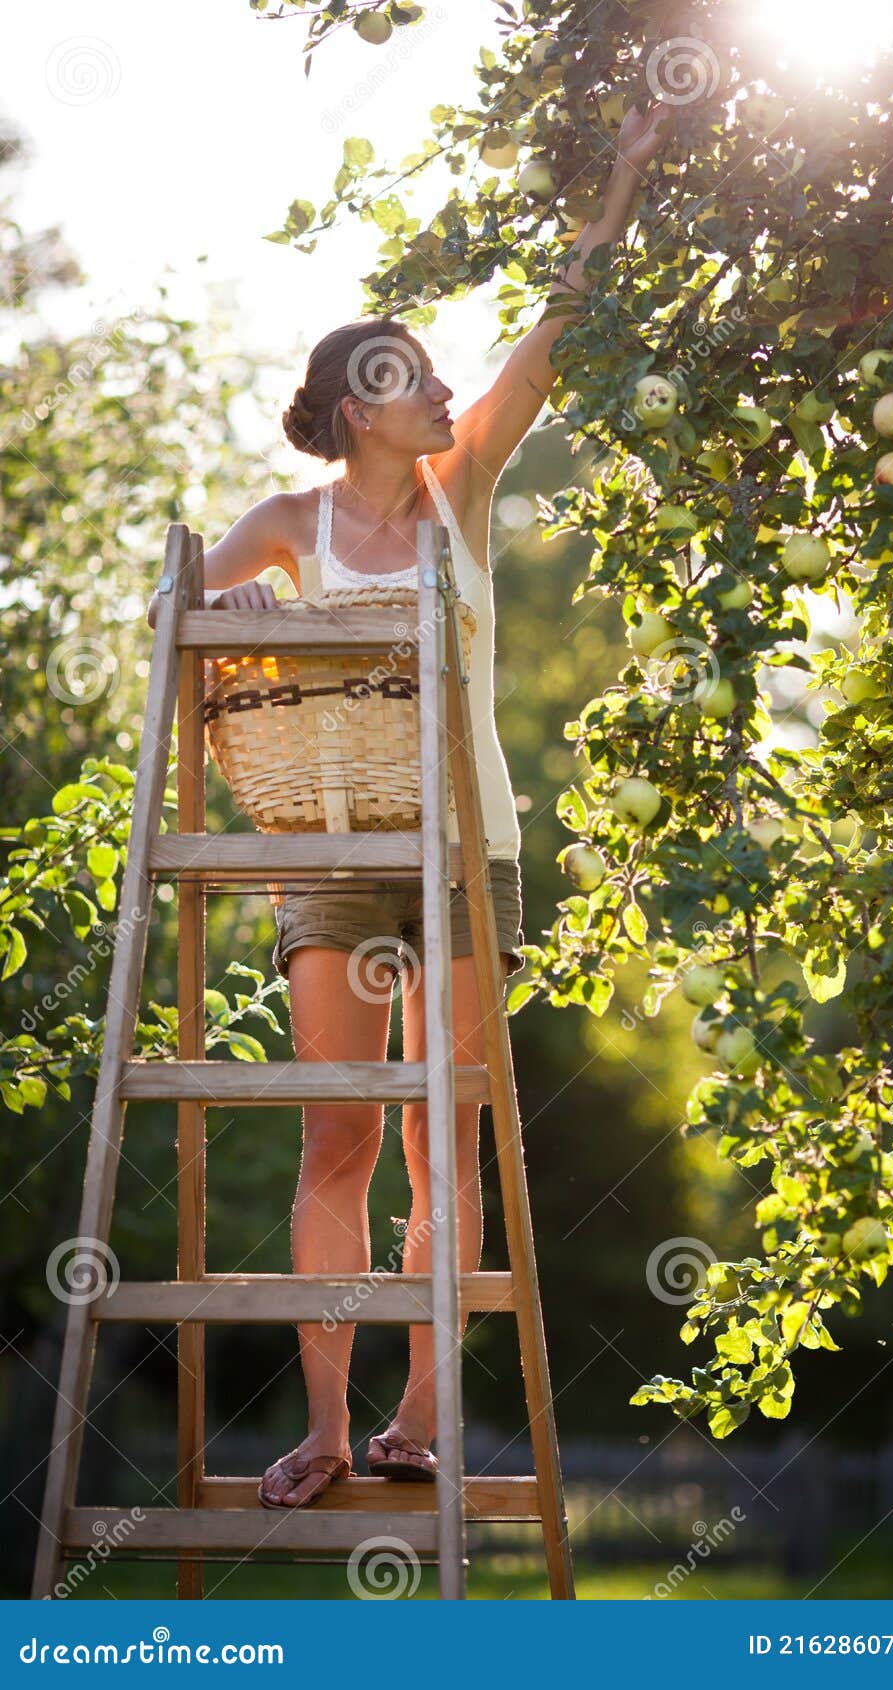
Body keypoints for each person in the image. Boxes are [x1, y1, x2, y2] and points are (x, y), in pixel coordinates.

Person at [151, 104, 671, 1507]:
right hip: (330, 852)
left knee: (450, 1131)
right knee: (343, 1133)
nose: (441, 389)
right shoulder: (284, 522)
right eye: (411, 377)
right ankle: (325, 1425)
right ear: (349, 409)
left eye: (441, 373)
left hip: (461, 849)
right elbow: (174, 654)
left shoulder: (463, 491)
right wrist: (221, 607)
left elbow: (551, 337)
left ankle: (418, 1416)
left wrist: (617, 181)